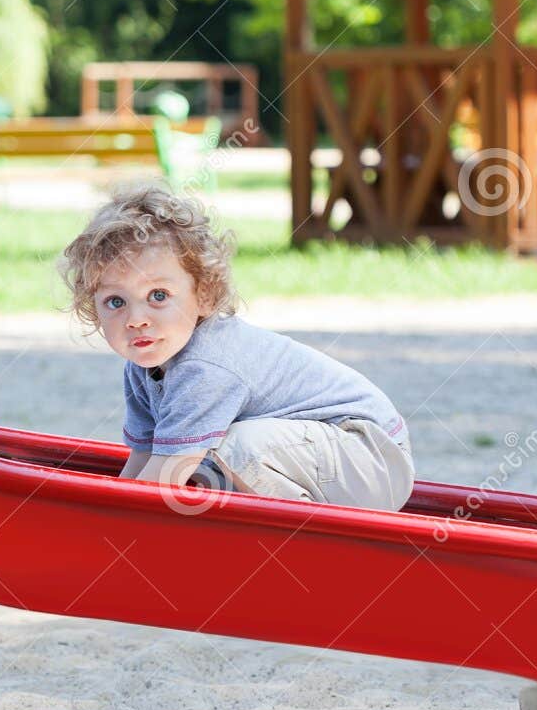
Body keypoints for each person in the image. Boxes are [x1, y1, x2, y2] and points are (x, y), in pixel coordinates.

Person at [57, 183, 414, 511]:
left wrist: (111, 529)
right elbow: (145, 456)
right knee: (206, 456)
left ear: (205, 295)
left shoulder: (206, 366)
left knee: (227, 449)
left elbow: (166, 476)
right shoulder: (143, 364)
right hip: (331, 460)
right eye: (115, 302)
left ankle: (312, 536)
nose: (136, 319)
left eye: (159, 296)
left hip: (371, 456)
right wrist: (104, 512)